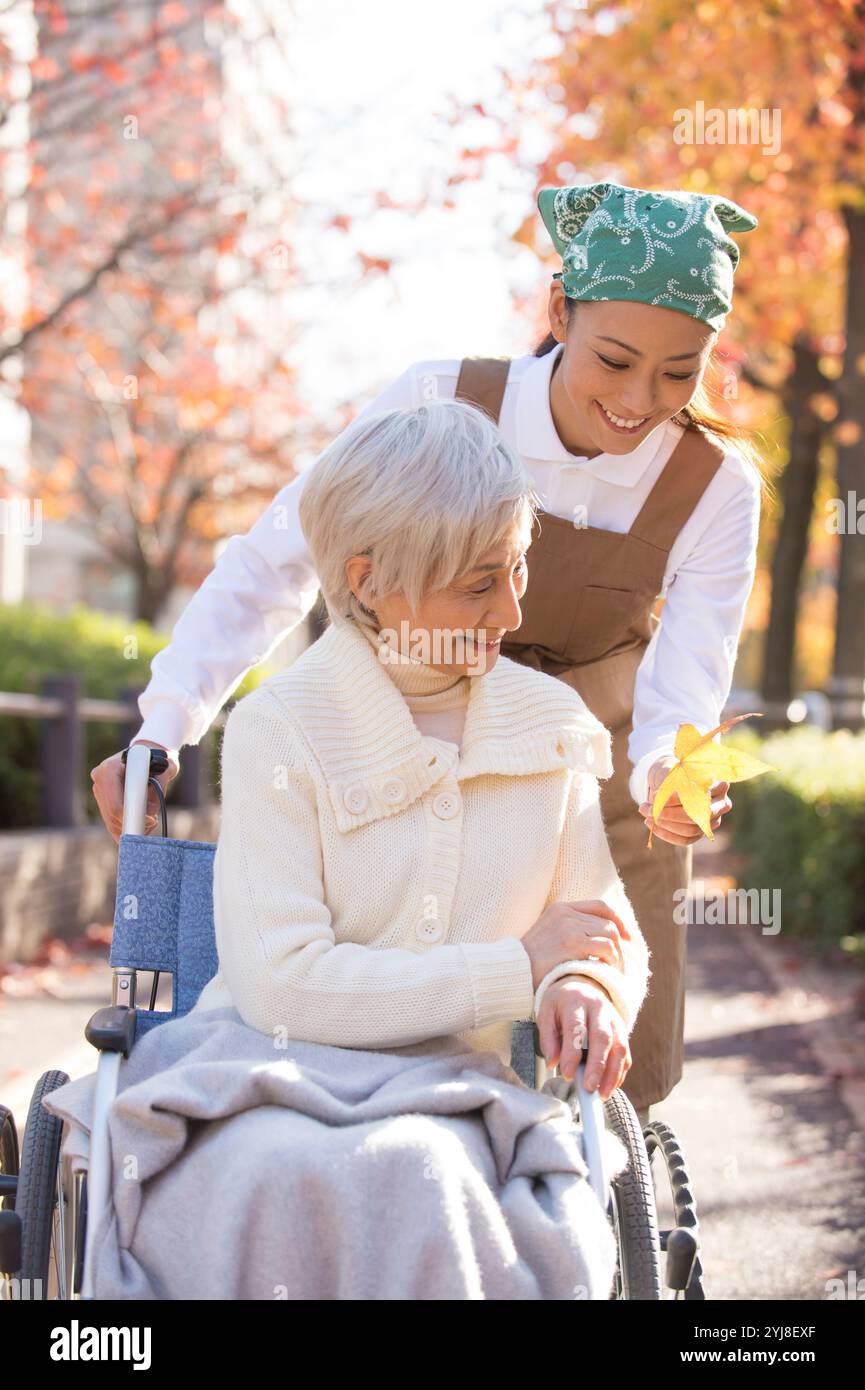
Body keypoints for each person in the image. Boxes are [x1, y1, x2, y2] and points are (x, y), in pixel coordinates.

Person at [91, 179, 765, 1127]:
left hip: (585, 777)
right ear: (559, 311)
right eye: (613, 360)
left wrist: (668, 777)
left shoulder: (716, 489)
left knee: (604, 1084)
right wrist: (166, 726)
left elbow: (683, 686)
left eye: (676, 373)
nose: (637, 400)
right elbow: (277, 562)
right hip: (387, 754)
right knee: (379, 1017)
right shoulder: (439, 400)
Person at [50, 398, 652, 1301]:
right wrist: (515, 967)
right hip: (262, 1078)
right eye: (480, 582)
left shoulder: (551, 726)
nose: (514, 607)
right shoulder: (280, 729)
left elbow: (600, 927)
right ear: (370, 581)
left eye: (518, 569)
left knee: (425, 1173)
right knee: (281, 1173)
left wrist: (581, 983)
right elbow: (282, 984)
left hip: (462, 1090)